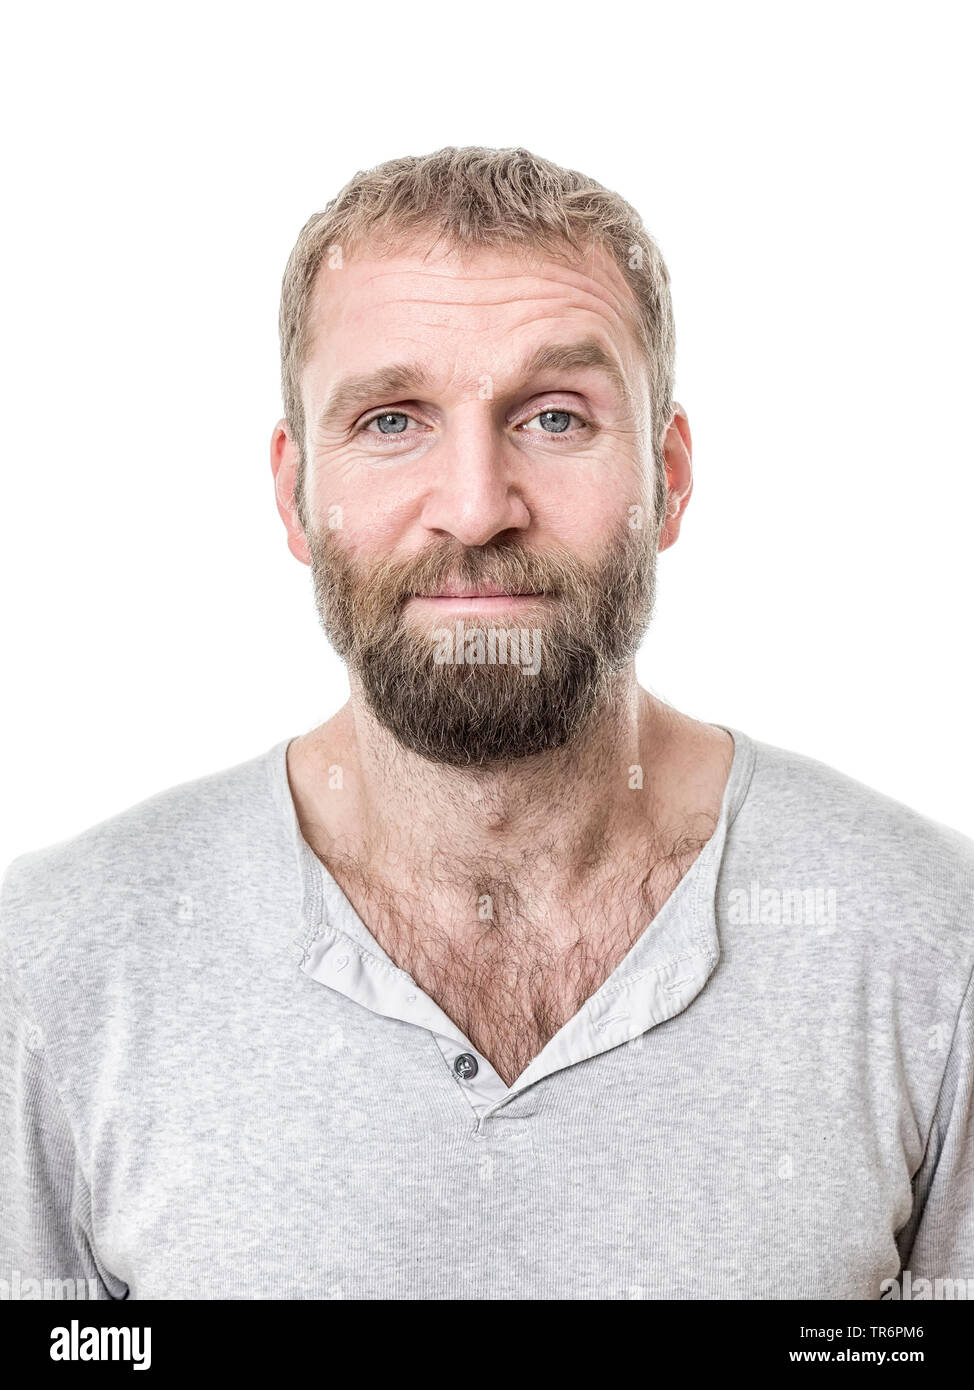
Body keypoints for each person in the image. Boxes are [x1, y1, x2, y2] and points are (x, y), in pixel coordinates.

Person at [2, 146, 972, 1302]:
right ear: (294, 490)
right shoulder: (53, 975)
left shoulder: (931, 954)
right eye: (391, 420)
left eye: (555, 417)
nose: (473, 507)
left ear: (664, 476)